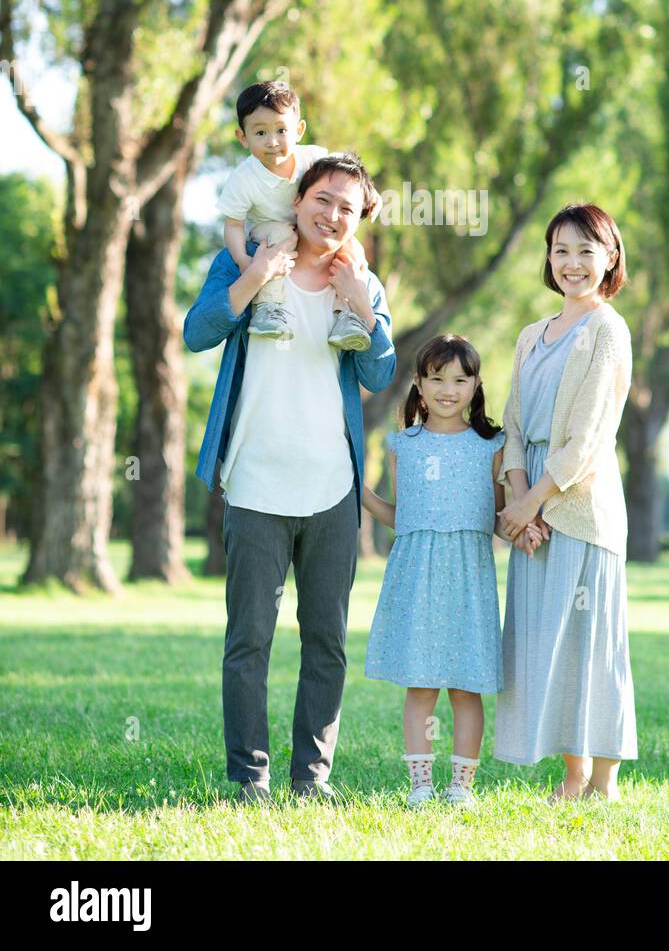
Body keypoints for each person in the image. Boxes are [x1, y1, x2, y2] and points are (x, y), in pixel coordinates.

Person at [183, 149, 396, 805]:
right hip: (254, 485)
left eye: (348, 209)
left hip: (332, 489)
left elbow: (378, 375)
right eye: (323, 199)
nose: (332, 215)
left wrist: (362, 305)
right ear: (299, 197)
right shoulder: (244, 254)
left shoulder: (361, 279)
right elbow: (196, 333)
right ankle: (249, 780)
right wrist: (256, 276)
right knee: (248, 638)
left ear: (359, 220)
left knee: (326, 641)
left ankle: (312, 780)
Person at [494, 202, 638, 803]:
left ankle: (599, 781)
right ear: (548, 260)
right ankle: (572, 772)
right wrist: (518, 499)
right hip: (534, 509)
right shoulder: (532, 335)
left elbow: (589, 435)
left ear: (610, 258)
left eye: (586, 250)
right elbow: (513, 423)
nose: (572, 263)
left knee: (591, 645)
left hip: (582, 511)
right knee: (545, 643)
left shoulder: (608, 329)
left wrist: (534, 503)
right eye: (561, 250)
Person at [363, 334, 542, 807]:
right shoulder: (404, 444)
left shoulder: (491, 445)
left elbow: (499, 516)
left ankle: (461, 787)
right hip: (416, 577)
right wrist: (360, 493)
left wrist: (522, 530)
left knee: (467, 687)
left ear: (476, 385)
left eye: (460, 379)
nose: (448, 389)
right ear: (419, 384)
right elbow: (402, 515)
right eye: (437, 378)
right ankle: (420, 784)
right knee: (421, 685)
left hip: (469, 579)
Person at [218, 78, 379, 350]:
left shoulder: (311, 158)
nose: (272, 142)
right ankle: (268, 307)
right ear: (242, 137)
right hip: (269, 228)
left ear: (299, 130)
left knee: (353, 249)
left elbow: (349, 175)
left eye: (281, 130)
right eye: (260, 133)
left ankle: (348, 316)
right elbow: (233, 224)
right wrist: (245, 262)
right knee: (283, 238)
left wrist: (372, 196)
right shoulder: (243, 179)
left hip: (307, 227)